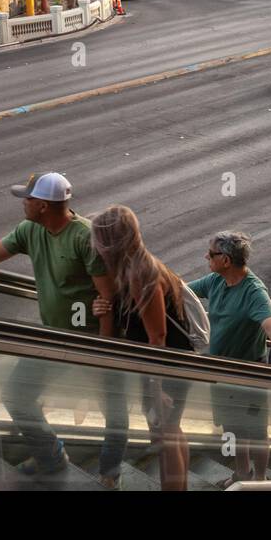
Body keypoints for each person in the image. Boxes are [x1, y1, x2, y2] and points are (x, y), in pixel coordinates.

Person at [0, 172, 126, 482]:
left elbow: (108, 295)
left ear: (44, 205)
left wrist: (104, 350)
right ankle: (52, 456)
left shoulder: (84, 238)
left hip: (89, 341)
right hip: (53, 337)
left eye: (28, 199)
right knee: (18, 395)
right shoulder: (30, 230)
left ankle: (111, 475)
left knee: (112, 410)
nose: (24, 203)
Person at [88, 205, 193, 490]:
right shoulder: (135, 266)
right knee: (171, 433)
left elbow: (157, 338)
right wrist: (102, 308)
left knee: (164, 437)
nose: (94, 246)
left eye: (98, 239)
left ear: (112, 242)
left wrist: (156, 388)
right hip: (171, 366)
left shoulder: (141, 274)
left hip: (166, 369)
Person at [188, 231, 271, 486]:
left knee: (257, 432)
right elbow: (183, 292)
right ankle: (241, 474)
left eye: (211, 253)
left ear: (226, 260)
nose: (207, 256)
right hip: (222, 371)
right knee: (231, 428)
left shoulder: (253, 291)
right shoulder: (216, 280)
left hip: (249, 374)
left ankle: (259, 479)